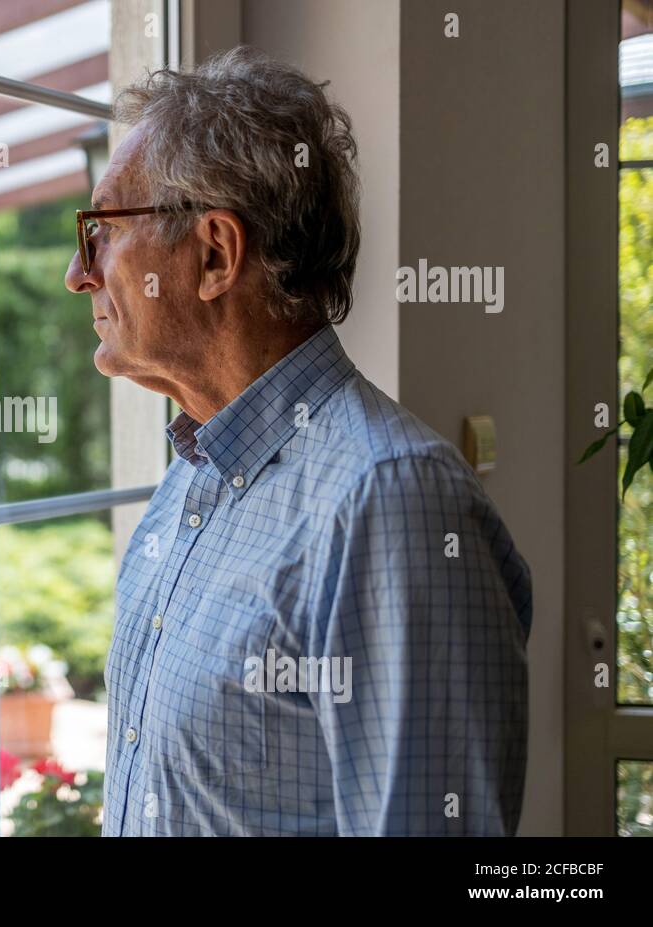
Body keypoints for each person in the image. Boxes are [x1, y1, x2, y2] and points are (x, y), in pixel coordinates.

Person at [65, 46, 532, 836]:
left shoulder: (393, 501)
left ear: (214, 253)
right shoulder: (199, 470)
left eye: (102, 231)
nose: (79, 274)